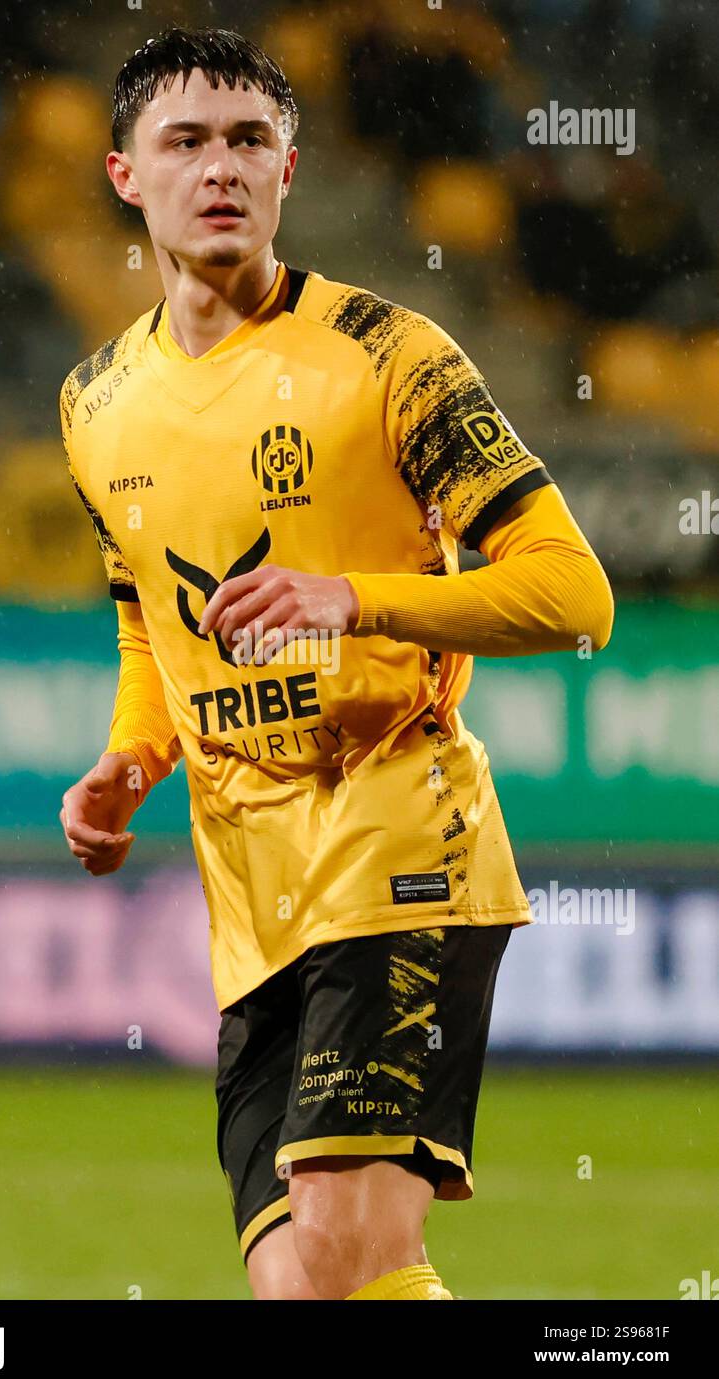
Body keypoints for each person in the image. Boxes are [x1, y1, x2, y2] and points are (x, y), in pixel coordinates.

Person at [58, 26, 614, 1301]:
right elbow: (149, 615)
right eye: (185, 141)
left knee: (355, 1248)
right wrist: (132, 752)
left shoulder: (391, 358)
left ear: (290, 170)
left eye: (250, 140)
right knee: (306, 1285)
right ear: (122, 176)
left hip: (398, 834)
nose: (221, 168)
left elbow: (571, 592)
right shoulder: (94, 405)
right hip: (246, 886)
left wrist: (353, 598)